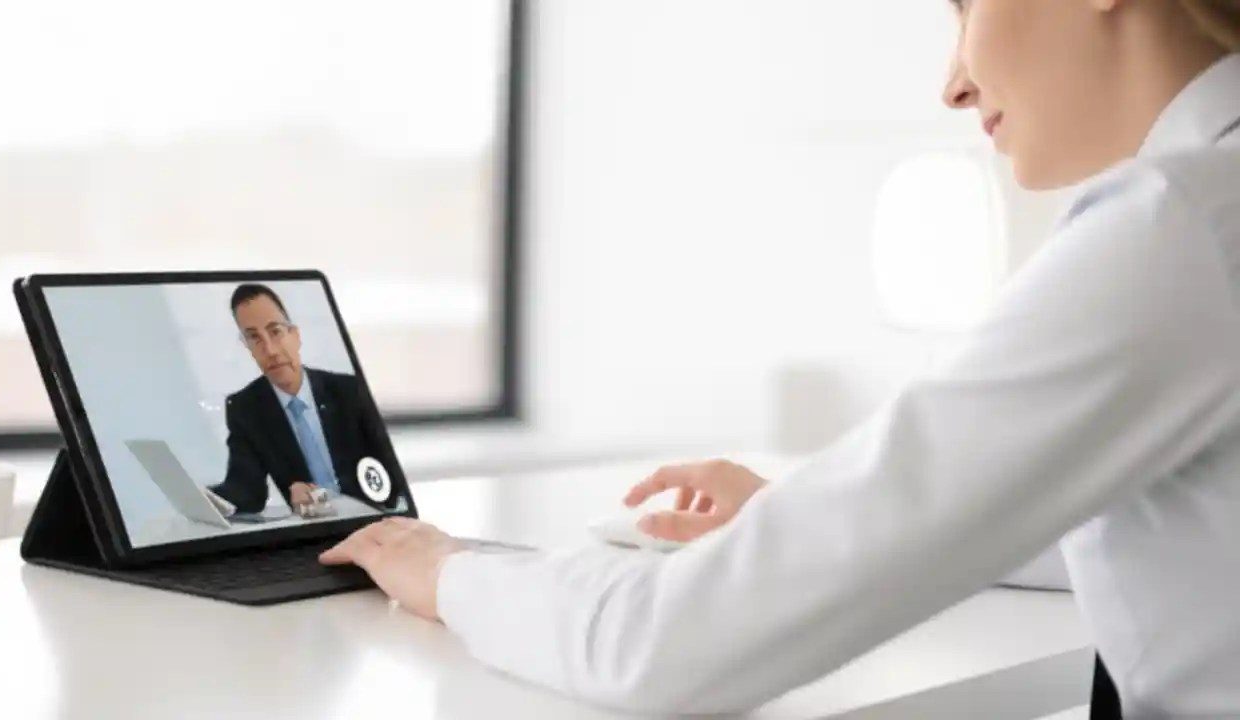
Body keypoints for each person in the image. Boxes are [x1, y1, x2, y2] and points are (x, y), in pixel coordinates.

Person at [320, 1, 1240, 715]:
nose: (954, 84)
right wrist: (808, 520)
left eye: (966, 7)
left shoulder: (1176, 229)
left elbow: (666, 646)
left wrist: (450, 570)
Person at [206, 283, 386, 516]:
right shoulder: (246, 407)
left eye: (275, 331)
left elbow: (389, 473)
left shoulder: (350, 391)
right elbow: (246, 492)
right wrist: (207, 498)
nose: (270, 350)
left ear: (295, 335)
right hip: (311, 526)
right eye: (254, 337)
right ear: (246, 346)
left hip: (371, 516)